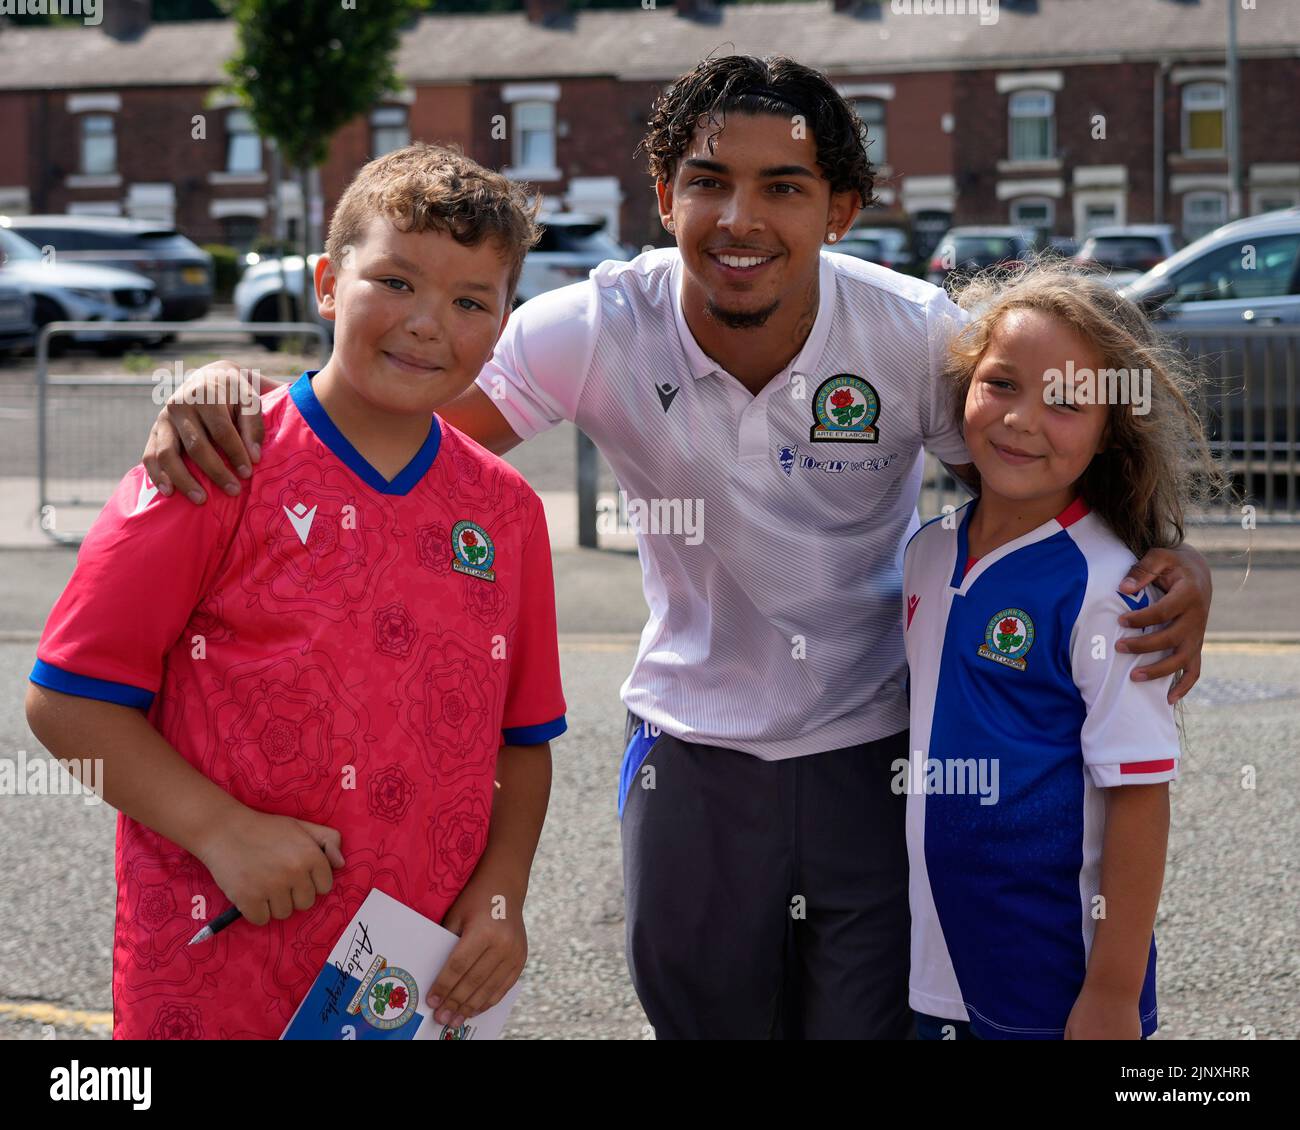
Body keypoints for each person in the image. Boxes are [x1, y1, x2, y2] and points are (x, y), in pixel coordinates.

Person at [136, 56, 1212, 1039]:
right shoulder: (600, 322)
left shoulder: (909, 330)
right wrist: (235, 389)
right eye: (707, 181)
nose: (739, 217)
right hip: (693, 758)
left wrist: (1165, 558)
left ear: (838, 210)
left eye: (783, 186)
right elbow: (391, 410)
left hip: (876, 754)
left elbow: (1039, 463)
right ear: (664, 197)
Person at [25, 144, 567, 1039]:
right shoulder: (217, 459)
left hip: (411, 981)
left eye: (471, 301)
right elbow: (66, 705)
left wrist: (502, 893)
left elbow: (522, 741)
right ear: (325, 281)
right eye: (395, 282)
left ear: (504, 323)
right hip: (213, 967)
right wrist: (220, 830)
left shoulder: (505, 512)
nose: (428, 323)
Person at [902, 262, 1226, 1040]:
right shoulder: (925, 552)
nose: (1022, 420)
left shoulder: (1114, 588)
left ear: (1111, 427)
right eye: (1002, 383)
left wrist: (1113, 990)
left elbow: (1140, 796)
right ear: (964, 385)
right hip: (933, 967)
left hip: (1056, 978)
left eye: (1067, 402)